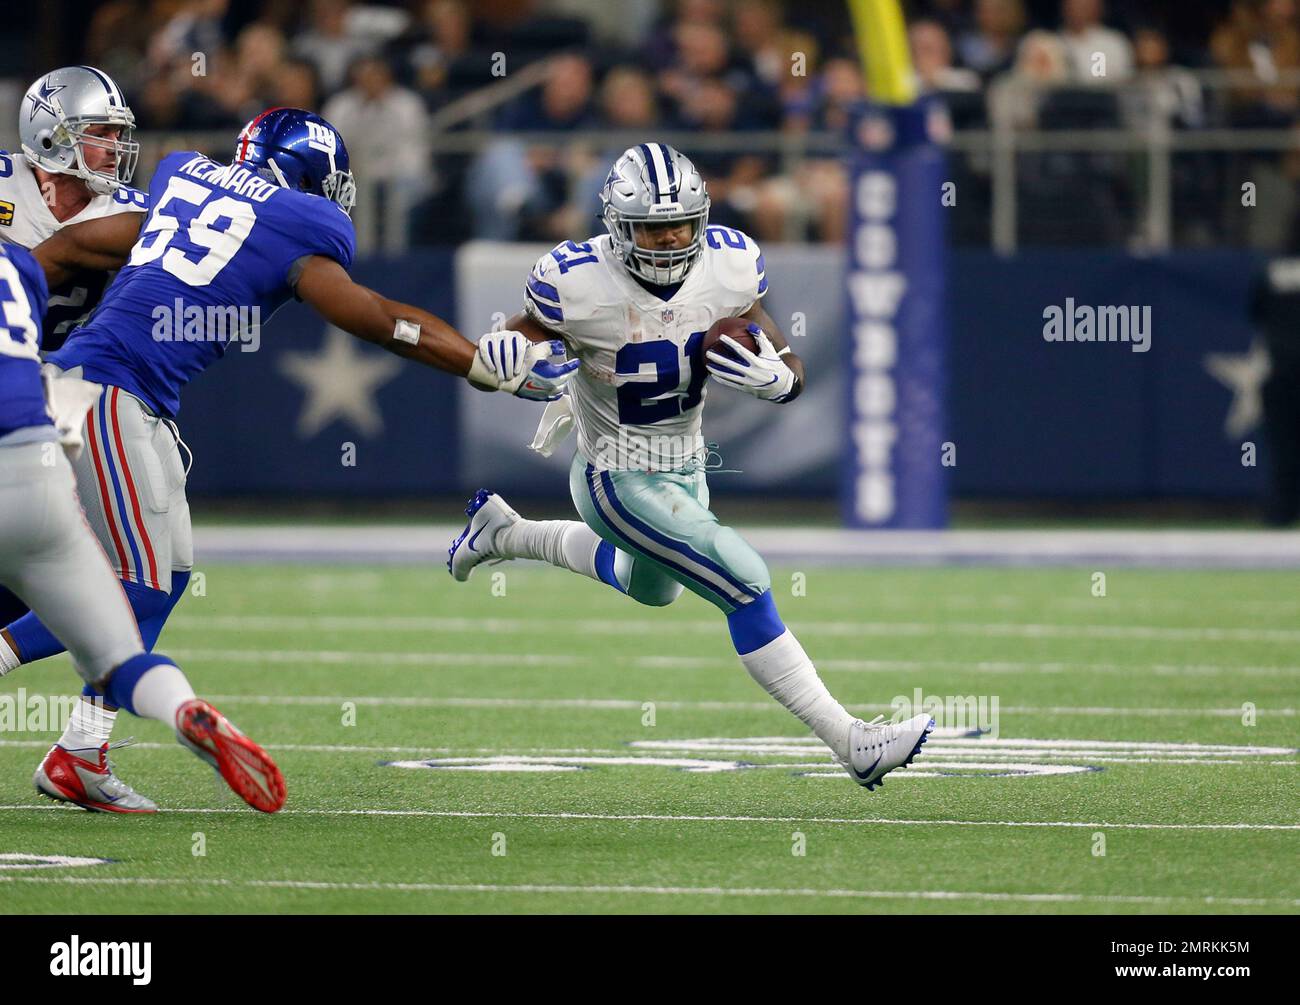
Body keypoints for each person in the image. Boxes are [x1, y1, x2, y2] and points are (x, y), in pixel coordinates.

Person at [0, 107, 577, 812]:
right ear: (307, 175)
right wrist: (483, 365)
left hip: (90, 388)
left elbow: (69, 250)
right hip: (113, 394)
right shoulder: (302, 221)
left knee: (172, 570)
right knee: (139, 586)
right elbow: (369, 312)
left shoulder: (185, 173)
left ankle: (80, 753)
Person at [447, 143, 933, 790]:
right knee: (743, 577)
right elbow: (513, 344)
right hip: (615, 475)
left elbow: (785, 359)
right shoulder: (576, 280)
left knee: (652, 586)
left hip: (686, 465)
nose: (671, 235)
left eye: (680, 221)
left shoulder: (730, 264)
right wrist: (502, 355)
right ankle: (853, 741)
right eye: (653, 225)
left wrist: (778, 379)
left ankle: (503, 533)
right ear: (618, 227)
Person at [0, 241, 285, 813]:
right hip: (42, 458)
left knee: (163, 578)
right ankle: (179, 710)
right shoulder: (21, 264)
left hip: (75, 408)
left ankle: (81, 752)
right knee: (125, 630)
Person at [0, 65, 153, 807]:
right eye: (98, 134)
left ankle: (83, 747)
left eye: (115, 136)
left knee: (130, 566)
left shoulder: (125, 210)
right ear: (49, 136)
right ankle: (82, 751)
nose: (112, 150)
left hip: (47, 404)